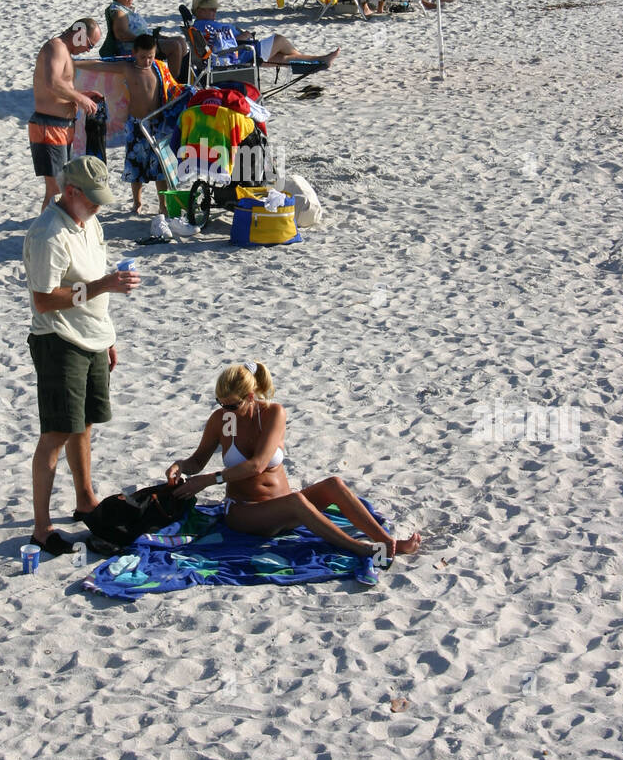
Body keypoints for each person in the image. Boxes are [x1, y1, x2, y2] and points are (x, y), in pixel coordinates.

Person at [164, 362, 421, 569]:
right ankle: (361, 548)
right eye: (220, 403)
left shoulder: (273, 413)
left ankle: (388, 542)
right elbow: (197, 461)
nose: (225, 409)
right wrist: (180, 466)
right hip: (244, 512)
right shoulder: (222, 420)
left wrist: (211, 480)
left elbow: (257, 465)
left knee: (334, 484)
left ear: (250, 397)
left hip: (283, 509)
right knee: (297, 501)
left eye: (232, 404)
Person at [23, 156, 140, 555]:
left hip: (91, 338)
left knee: (84, 425)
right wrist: (103, 285)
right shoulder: (48, 234)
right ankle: (41, 529)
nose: (98, 206)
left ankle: (85, 500)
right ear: (70, 191)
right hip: (59, 341)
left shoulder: (89, 222)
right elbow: (43, 299)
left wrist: (107, 337)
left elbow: (91, 286)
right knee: (56, 433)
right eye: (92, 198)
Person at [80, 32, 183, 214]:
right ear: (134, 53)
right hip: (136, 124)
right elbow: (99, 65)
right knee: (135, 166)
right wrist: (74, 63)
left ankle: (163, 204)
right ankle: (137, 202)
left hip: (157, 124)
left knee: (160, 167)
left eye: (150, 56)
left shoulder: (159, 68)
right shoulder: (128, 68)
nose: (147, 61)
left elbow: (172, 87)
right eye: (143, 57)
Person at [31, 19, 102, 209]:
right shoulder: (55, 47)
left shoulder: (64, 51)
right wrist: (80, 99)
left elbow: (58, 90)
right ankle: (47, 227)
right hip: (49, 126)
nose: (88, 50)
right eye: (90, 45)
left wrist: (82, 96)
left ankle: (55, 224)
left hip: (61, 126)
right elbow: (52, 83)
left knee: (62, 186)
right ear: (79, 34)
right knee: (55, 190)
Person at [190, 0, 340, 68]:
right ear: (200, 10)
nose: (215, 12)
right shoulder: (206, 26)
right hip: (243, 53)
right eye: (211, 9)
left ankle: (321, 60)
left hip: (240, 52)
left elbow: (218, 43)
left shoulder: (200, 26)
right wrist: (244, 36)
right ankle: (316, 61)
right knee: (279, 40)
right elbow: (223, 44)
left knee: (284, 59)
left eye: (215, 9)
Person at [100, 0, 187, 78]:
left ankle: (183, 77)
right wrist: (144, 39)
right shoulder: (119, 11)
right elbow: (121, 34)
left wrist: (155, 36)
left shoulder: (126, 9)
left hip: (144, 42)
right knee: (174, 46)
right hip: (135, 47)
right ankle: (172, 82)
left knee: (180, 40)